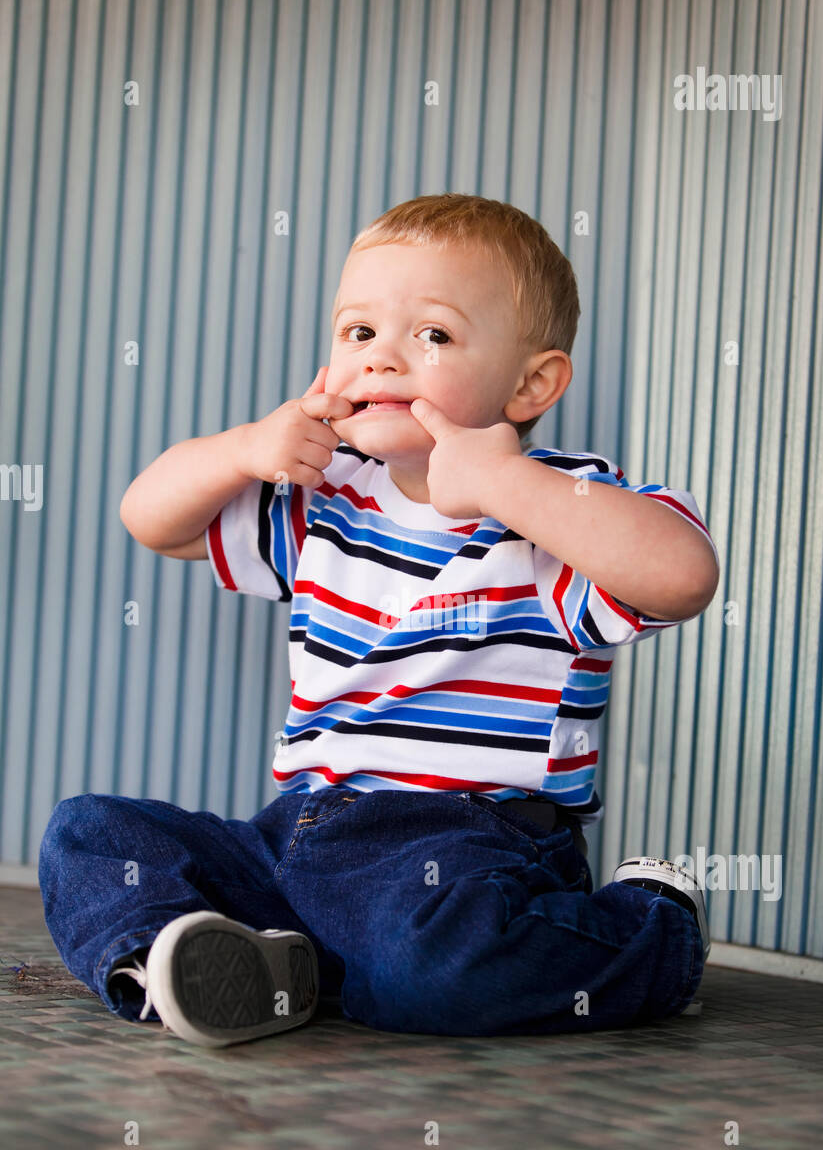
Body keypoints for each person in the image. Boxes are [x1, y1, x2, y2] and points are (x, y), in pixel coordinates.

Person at [38, 193, 719, 1047]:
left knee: (438, 973)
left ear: (530, 383)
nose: (382, 359)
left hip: (467, 850)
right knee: (89, 832)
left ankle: (656, 928)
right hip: (296, 837)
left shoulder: (556, 511)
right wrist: (246, 446)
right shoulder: (330, 499)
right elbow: (152, 518)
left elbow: (685, 575)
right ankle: (211, 962)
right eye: (358, 333)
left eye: (431, 335)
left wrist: (508, 485)